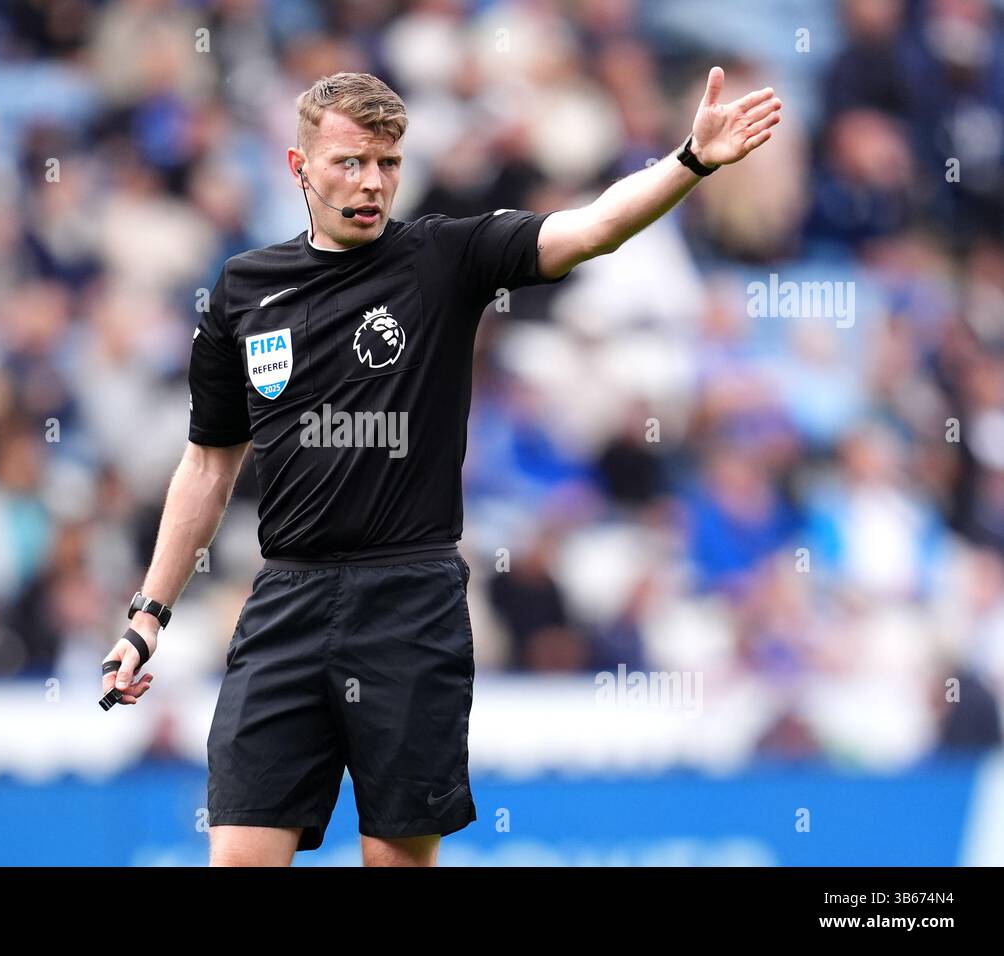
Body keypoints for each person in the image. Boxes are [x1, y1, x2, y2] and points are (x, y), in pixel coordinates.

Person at [102, 69, 783, 866]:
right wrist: (148, 615)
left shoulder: (443, 256)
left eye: (387, 163)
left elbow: (589, 230)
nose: (371, 183)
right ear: (298, 167)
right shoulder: (246, 289)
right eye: (348, 163)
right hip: (285, 600)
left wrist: (690, 162)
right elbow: (208, 466)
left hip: (408, 604)